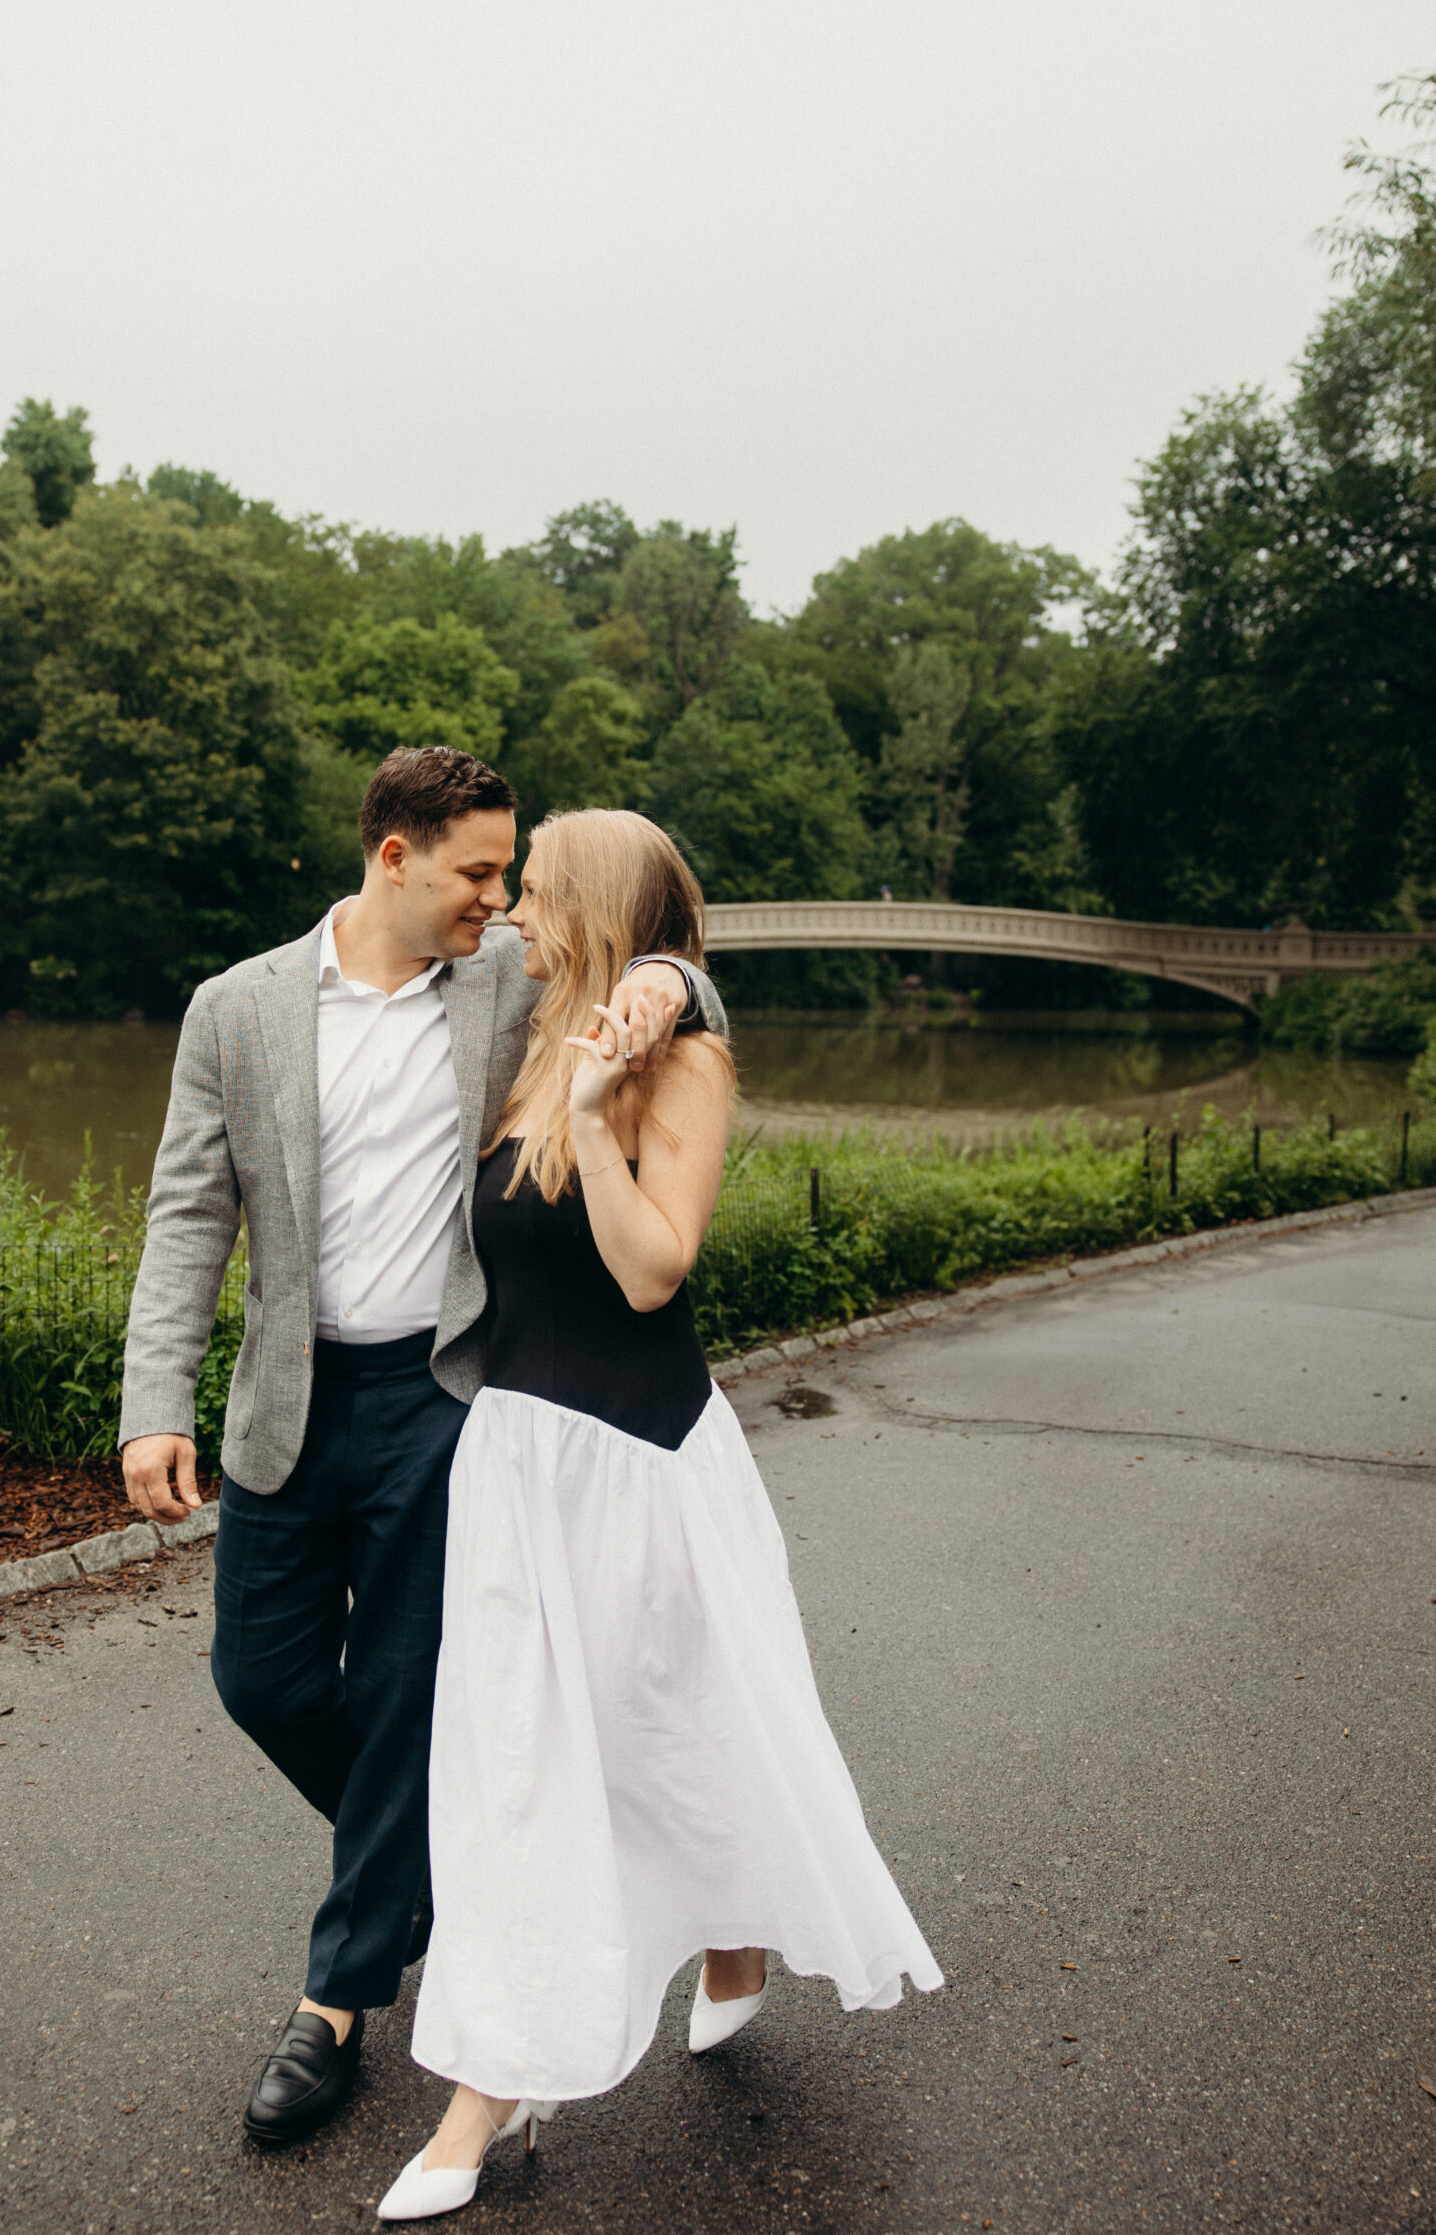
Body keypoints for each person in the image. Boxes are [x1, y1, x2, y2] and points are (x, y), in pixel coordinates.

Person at [117, 748, 724, 2151]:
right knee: (261, 1677)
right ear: (393, 855)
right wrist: (159, 1400)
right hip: (289, 1400)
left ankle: (334, 2002)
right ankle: (448, 1874)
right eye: (475, 873)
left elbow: (675, 962)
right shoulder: (238, 1009)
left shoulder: (511, 984)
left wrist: (670, 986)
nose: (501, 901)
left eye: (510, 878)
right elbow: (186, 1218)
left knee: (401, 1696)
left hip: (449, 1399)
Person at [376, 809, 942, 2224]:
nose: (508, 909)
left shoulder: (677, 1058)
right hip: (512, 1465)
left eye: (535, 891)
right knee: (522, 1770)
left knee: (682, 1734)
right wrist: (651, 987)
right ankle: (491, 2087)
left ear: (593, 909)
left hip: (641, 1464)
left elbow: (649, 1276)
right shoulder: (517, 1020)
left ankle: (736, 1933)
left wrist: (599, 1103)